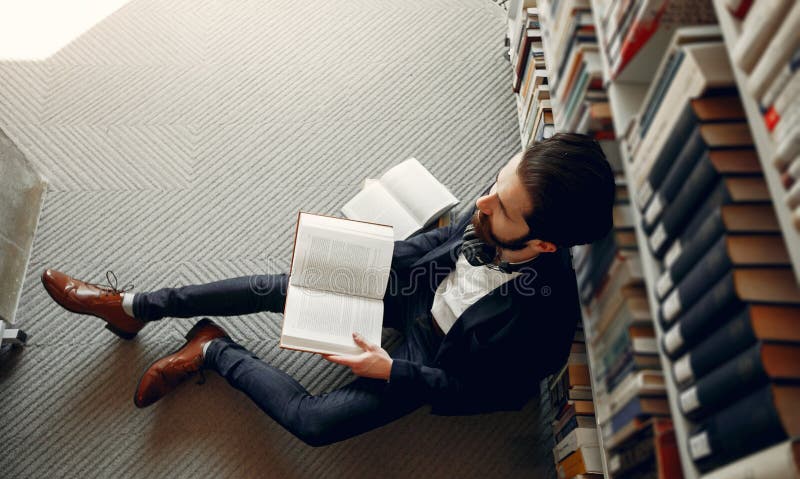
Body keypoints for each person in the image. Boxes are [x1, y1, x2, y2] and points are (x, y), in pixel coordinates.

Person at [41, 133, 615, 447]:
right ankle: (136, 306)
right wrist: (358, 257)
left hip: (431, 357)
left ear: (543, 244)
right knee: (277, 286)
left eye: (502, 207)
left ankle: (212, 350)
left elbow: (489, 392)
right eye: (495, 184)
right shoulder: (497, 208)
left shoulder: (542, 324)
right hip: (413, 290)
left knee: (315, 425)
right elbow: (437, 244)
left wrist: (394, 371)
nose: (481, 203)